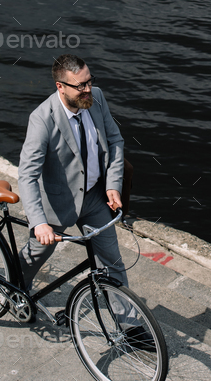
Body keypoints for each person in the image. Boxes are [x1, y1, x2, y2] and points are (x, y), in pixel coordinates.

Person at [18, 53, 128, 290]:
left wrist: (112, 185)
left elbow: (115, 141)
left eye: (89, 81)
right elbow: (27, 174)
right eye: (81, 86)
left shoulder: (96, 97)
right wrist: (39, 223)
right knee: (31, 261)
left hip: (94, 199)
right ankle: (14, 289)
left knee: (113, 262)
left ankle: (128, 326)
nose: (88, 89)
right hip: (56, 205)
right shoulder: (41, 120)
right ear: (61, 86)